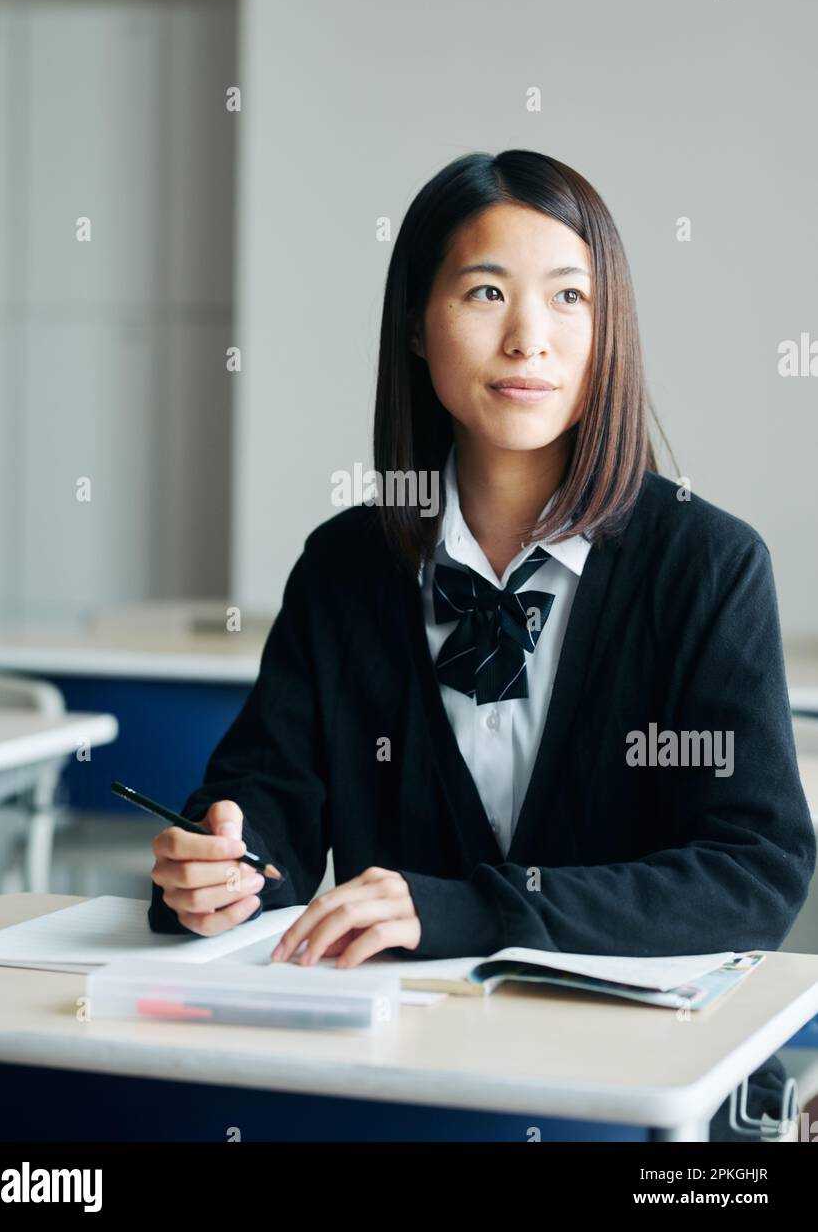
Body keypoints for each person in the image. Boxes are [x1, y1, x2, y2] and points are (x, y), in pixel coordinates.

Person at [148, 149, 815, 1141]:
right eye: (487, 291)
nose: (527, 339)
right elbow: (267, 813)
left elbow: (751, 873)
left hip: (642, 1100)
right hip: (398, 1090)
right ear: (417, 325)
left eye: (569, 298)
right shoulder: (346, 566)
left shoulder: (706, 566)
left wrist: (470, 910)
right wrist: (218, 874)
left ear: (610, 331)